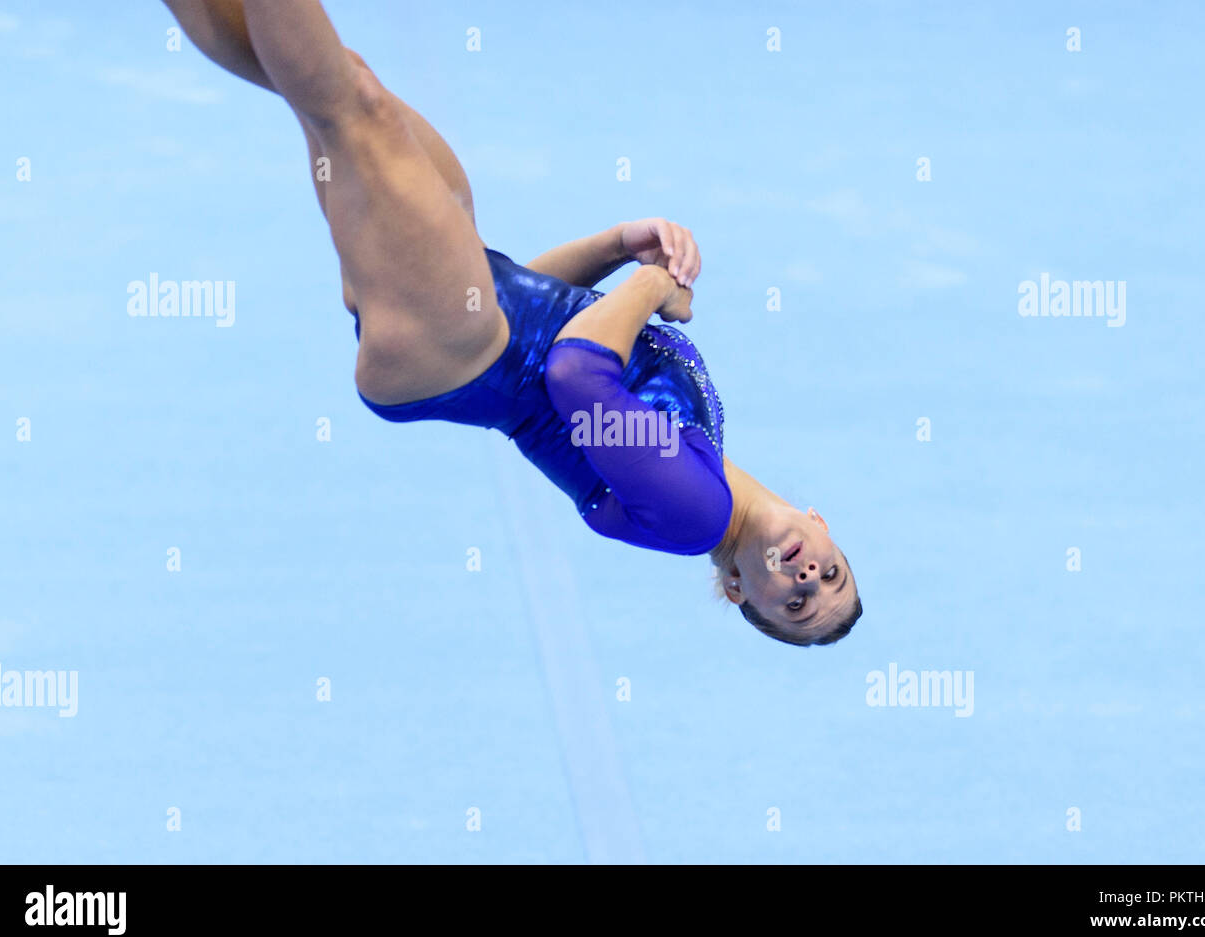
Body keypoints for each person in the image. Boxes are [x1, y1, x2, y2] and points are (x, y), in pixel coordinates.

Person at [161, 0, 863, 645]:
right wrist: (618, 245)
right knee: (339, 87)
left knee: (353, 108)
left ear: (738, 587)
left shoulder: (698, 514)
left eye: (794, 605)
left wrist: (653, 284)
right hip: (481, 308)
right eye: (831, 575)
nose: (808, 579)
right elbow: (553, 309)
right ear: (822, 525)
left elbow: (573, 370)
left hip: (464, 348)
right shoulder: (707, 454)